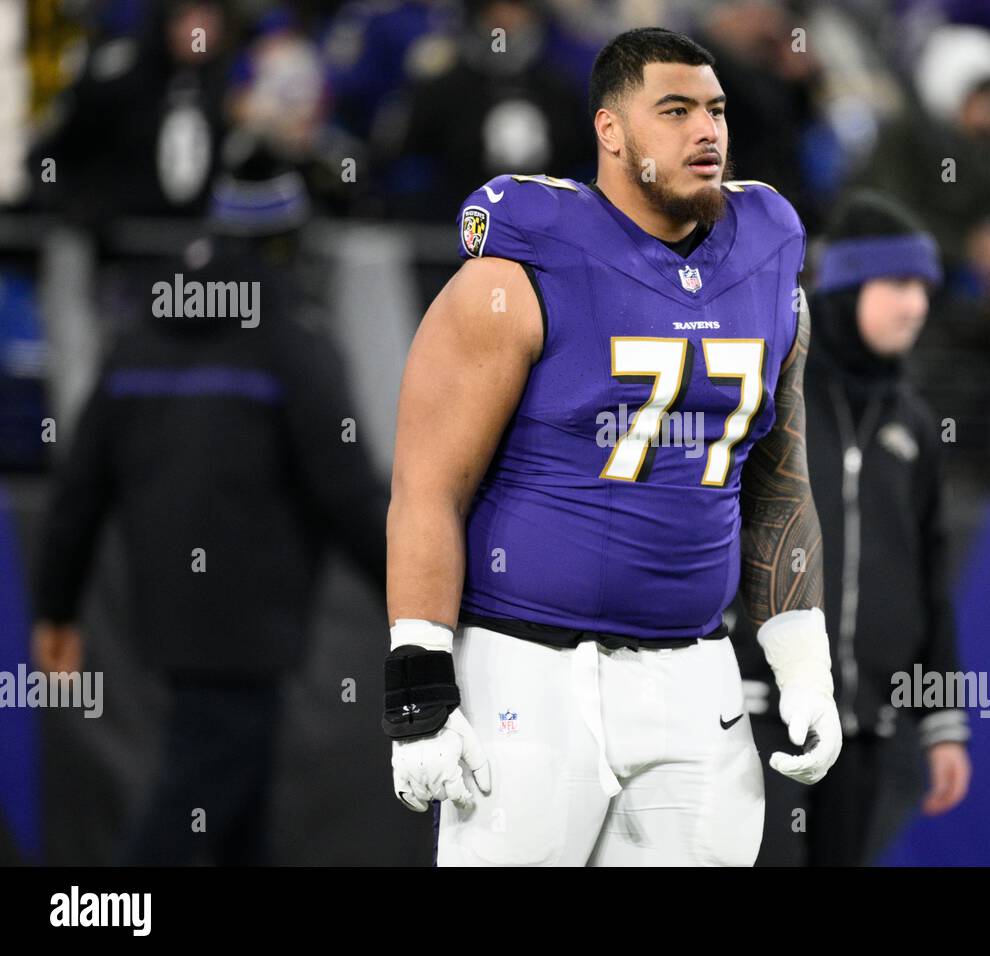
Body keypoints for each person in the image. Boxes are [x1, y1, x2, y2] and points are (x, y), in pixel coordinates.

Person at [382, 27, 841, 867]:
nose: (706, 131)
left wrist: (802, 661)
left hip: (698, 672)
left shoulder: (769, 256)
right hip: (528, 669)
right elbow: (426, 487)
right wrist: (418, 682)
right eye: (675, 110)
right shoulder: (520, 268)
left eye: (715, 109)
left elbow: (777, 478)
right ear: (611, 131)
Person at [31, 155, 389, 865]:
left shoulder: (136, 338)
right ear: (288, 244)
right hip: (252, 618)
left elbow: (78, 487)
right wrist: (422, 597)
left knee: (232, 803)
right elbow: (346, 491)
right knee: (191, 800)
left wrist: (58, 608)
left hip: (165, 611)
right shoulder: (295, 345)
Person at [738, 190, 972, 865]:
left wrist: (944, 721)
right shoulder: (769, 393)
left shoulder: (915, 423)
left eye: (924, 288)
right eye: (898, 283)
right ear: (844, 286)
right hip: (758, 709)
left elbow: (931, 579)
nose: (917, 306)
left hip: (868, 722)